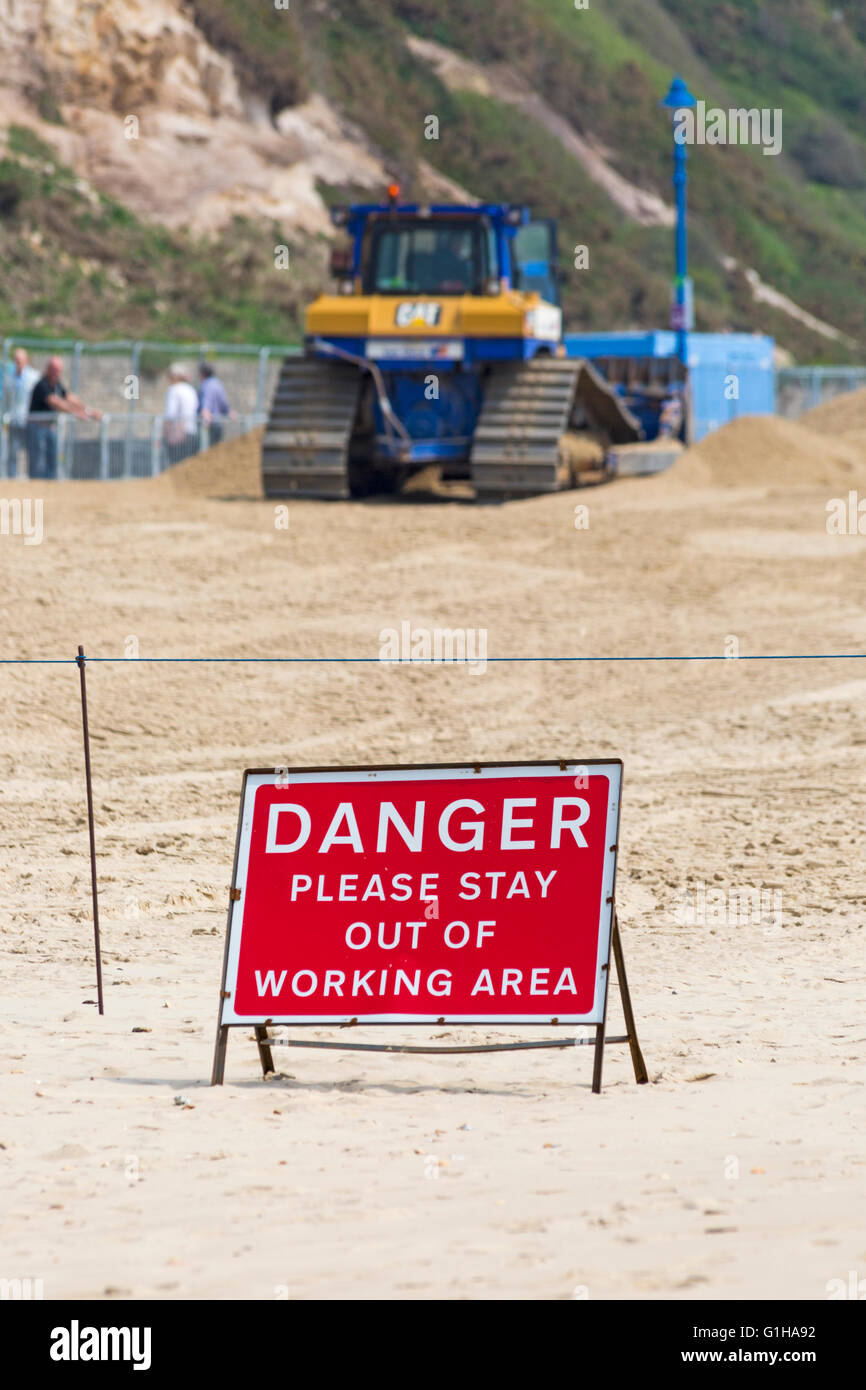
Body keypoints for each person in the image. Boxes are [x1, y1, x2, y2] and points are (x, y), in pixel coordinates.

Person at [28, 356, 102, 480]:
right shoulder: (42, 384)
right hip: (37, 428)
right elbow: (57, 403)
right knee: (38, 462)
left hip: (50, 428)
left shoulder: (57, 385)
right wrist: (77, 412)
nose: (57, 373)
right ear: (48, 369)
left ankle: (51, 485)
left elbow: (69, 398)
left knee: (54, 459)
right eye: (55, 370)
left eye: (59, 370)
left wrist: (89, 411)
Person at [5, 348, 39, 477]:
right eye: (16, 360)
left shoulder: (34, 376)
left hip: (29, 420)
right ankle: (12, 477)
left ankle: (31, 477)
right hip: (14, 419)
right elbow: (6, 401)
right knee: (13, 452)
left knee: (31, 450)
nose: (17, 363)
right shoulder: (9, 378)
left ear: (26, 361)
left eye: (20, 360)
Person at [162, 363, 200, 466]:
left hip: (178, 434)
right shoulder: (191, 389)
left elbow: (170, 414)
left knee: (174, 466)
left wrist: (164, 434)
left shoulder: (174, 390)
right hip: (192, 431)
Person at [197, 362, 233, 445]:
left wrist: (205, 411)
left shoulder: (206, 385)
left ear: (202, 374)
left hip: (209, 422)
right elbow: (223, 401)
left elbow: (207, 400)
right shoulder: (218, 383)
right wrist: (229, 411)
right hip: (218, 422)